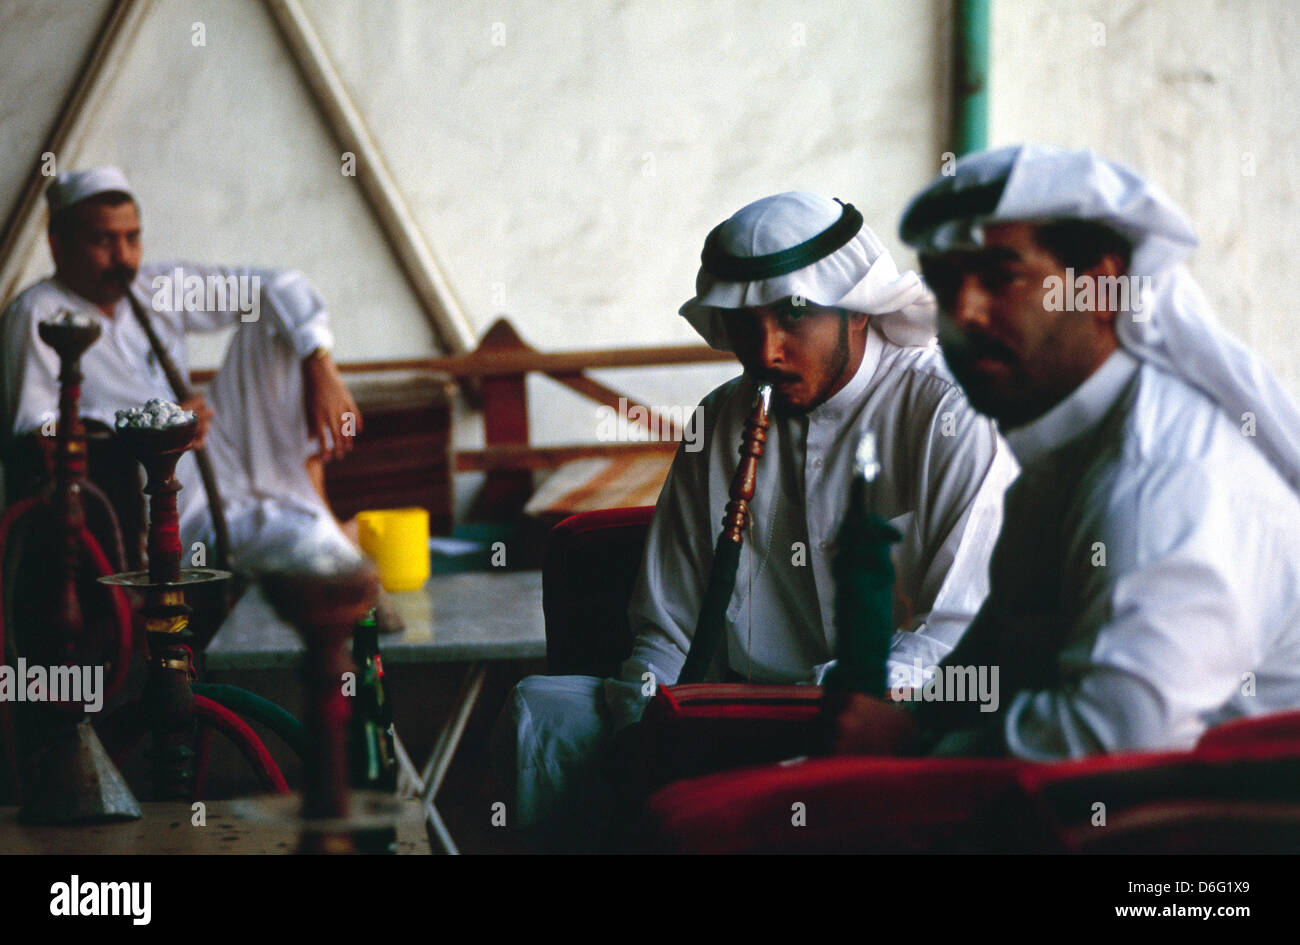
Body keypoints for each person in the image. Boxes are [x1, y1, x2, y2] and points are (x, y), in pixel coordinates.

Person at [494, 191, 1018, 835]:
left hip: (883, 723)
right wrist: (646, 735)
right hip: (728, 722)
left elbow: (957, 635)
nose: (765, 350)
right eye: (746, 322)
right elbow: (667, 629)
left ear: (855, 309)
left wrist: (829, 713)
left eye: (794, 317)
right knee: (543, 713)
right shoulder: (720, 421)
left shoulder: (948, 412)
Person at [833, 144, 1300, 759]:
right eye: (946, 286)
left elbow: (1124, 737)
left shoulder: (1162, 473)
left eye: (1002, 277)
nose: (965, 313)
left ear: (1100, 289)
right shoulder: (1062, 451)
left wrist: (910, 747)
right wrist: (903, 720)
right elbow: (995, 666)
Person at [1, 166, 367, 590]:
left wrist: (319, 361)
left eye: (132, 238)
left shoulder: (155, 289)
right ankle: (312, 535)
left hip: (226, 460)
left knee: (274, 325)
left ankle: (293, 495)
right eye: (102, 240)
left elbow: (280, 284)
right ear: (57, 246)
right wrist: (152, 431)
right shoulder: (36, 314)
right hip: (170, 511)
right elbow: (34, 440)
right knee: (322, 553)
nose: (123, 258)